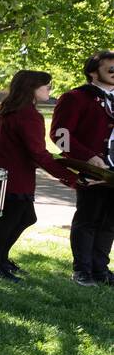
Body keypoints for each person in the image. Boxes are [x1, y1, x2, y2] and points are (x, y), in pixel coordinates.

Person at [0, 70, 79, 282]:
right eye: (46, 85)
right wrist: (71, 178)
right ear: (31, 88)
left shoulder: (2, 110)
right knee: (9, 220)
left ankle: (1, 259)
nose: (49, 89)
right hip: (16, 178)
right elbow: (38, 153)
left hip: (5, 175)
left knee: (27, 217)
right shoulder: (28, 115)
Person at [50, 50, 114, 286]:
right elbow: (60, 135)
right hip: (93, 169)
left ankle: (100, 269)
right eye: (111, 69)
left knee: (109, 222)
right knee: (88, 220)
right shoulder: (75, 97)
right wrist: (86, 158)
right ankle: (82, 271)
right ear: (92, 72)